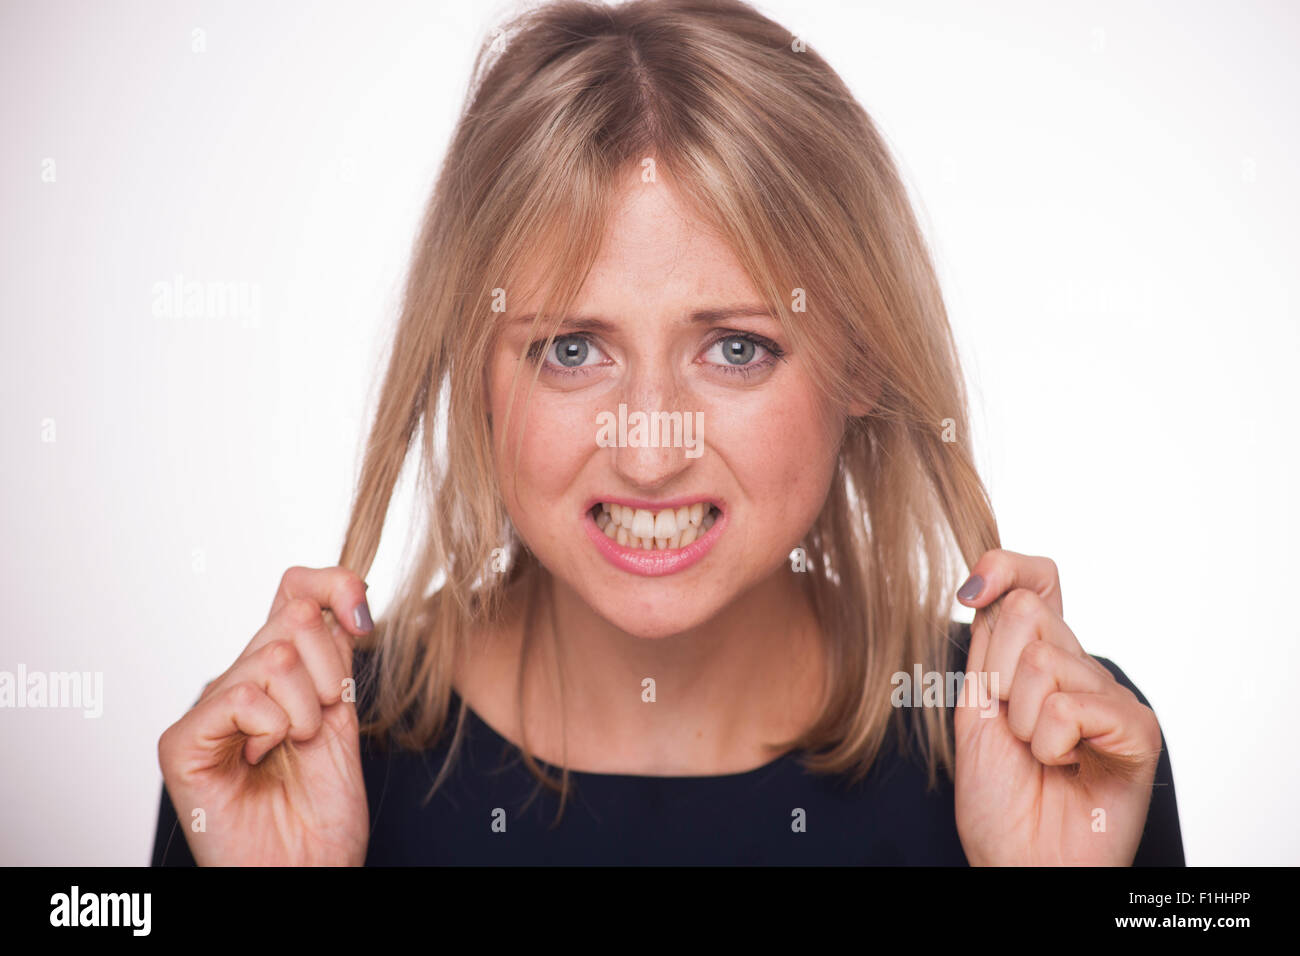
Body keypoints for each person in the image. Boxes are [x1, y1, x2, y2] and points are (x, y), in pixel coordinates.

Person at [152, 0, 1184, 866]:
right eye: (570, 349)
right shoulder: (283, 751)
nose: (649, 452)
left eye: (736, 348)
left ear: (862, 359)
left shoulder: (1054, 749)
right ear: (472, 369)